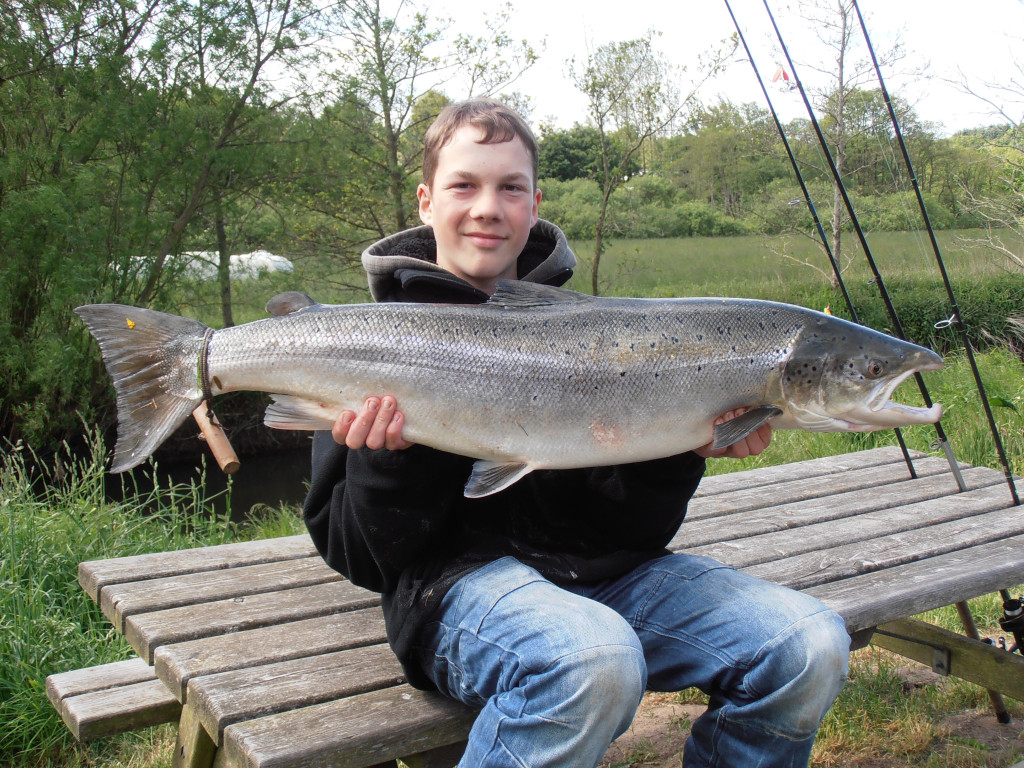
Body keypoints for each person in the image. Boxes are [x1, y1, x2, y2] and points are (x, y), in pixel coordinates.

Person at [303, 97, 850, 768]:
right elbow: (357, 558)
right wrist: (387, 463)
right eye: (464, 185)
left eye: (510, 187)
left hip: (604, 579)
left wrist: (678, 449)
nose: (487, 207)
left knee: (807, 643)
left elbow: (634, 534)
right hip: (452, 592)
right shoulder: (370, 342)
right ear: (425, 201)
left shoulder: (600, 332)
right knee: (594, 657)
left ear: (534, 204)